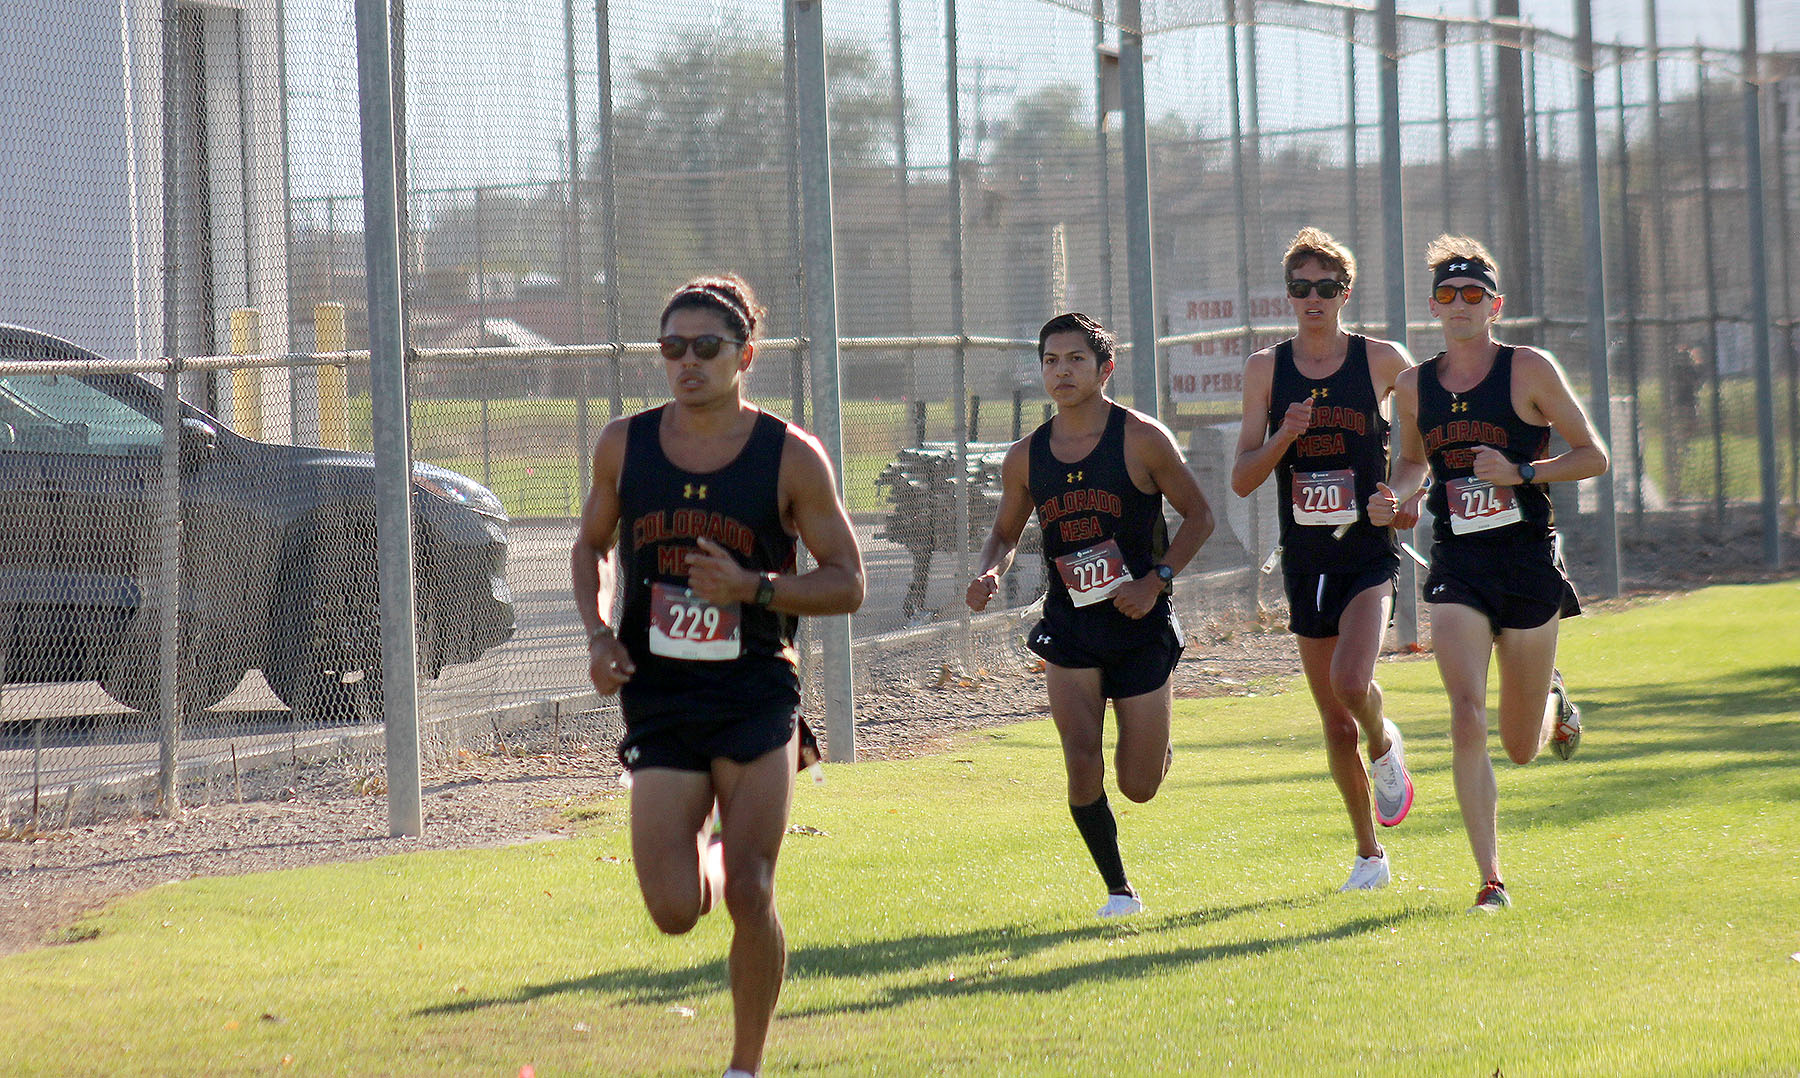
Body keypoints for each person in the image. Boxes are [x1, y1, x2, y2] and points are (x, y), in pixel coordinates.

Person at [571, 274, 864, 1078]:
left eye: (707, 347)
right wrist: (599, 635)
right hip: (660, 696)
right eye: (672, 348)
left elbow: (848, 581)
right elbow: (593, 547)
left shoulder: (790, 456)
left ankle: (745, 1066)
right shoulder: (623, 445)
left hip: (755, 690)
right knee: (672, 912)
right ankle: (706, 834)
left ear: (746, 357)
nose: (687, 362)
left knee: (752, 891)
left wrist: (754, 588)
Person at [1367, 236, 1607, 913]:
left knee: (1521, 746)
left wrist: (1523, 471)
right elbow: (1412, 462)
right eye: (1448, 294)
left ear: (1495, 305)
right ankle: (1490, 879)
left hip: (1528, 563)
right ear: (1435, 307)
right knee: (1466, 714)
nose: (1460, 304)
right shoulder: (1414, 385)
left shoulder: (1528, 368)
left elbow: (1593, 456)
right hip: (1459, 567)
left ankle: (1555, 701)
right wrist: (1402, 497)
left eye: (1474, 294)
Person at [966, 312, 1215, 918]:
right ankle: (1118, 891)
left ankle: (1155, 749)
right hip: (1070, 628)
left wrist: (1155, 582)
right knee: (1081, 757)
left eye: (1076, 359)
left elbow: (1200, 516)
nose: (1062, 371)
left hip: (1139, 625)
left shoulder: (1142, 438)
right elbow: (1004, 532)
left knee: (1138, 786)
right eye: (1051, 360)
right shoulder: (1026, 456)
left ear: (1104, 369)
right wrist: (992, 570)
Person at [1229, 227, 1423, 893]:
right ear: (1288, 294)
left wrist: (1404, 496)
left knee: (1350, 684)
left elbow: (1430, 440)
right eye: (1300, 287)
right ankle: (1369, 854)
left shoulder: (1379, 360)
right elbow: (1243, 478)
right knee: (1332, 721)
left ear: (1346, 292)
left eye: (1326, 287)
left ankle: (1384, 744)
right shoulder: (1266, 369)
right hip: (1306, 559)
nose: (1313, 298)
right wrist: (1284, 434)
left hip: (1368, 554)